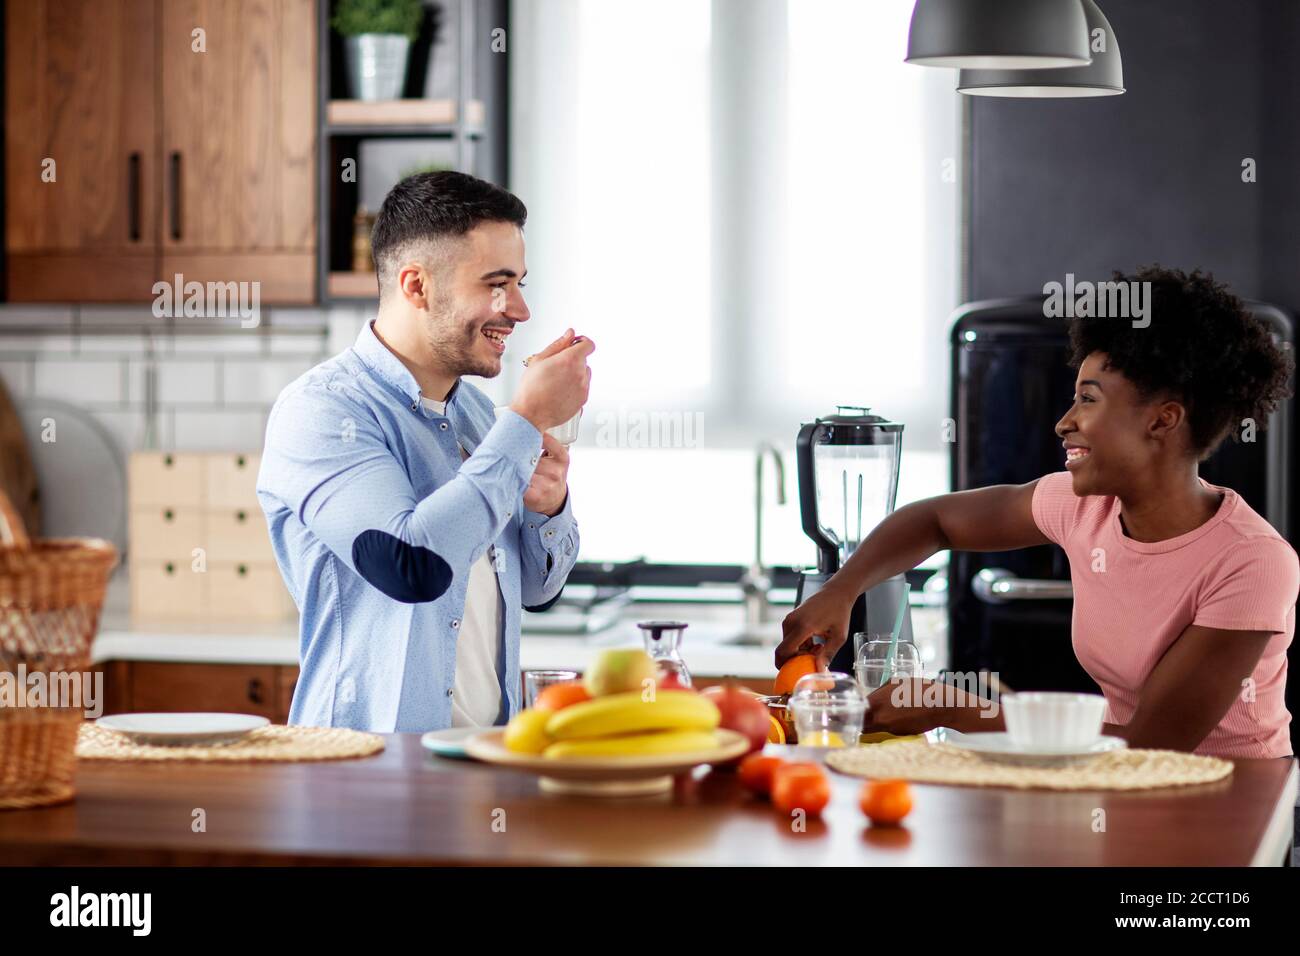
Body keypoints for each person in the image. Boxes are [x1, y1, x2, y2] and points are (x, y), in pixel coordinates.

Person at [778, 266, 1298, 758]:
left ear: (1163, 421)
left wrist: (962, 708)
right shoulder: (1081, 506)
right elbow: (934, 521)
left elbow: (1150, 743)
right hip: (1127, 792)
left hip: (1235, 808)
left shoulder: (1251, 562)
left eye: (1088, 401)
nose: (1063, 423)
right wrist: (840, 591)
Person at [258, 171, 593, 732]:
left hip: (488, 764)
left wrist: (546, 507)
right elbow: (412, 565)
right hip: (365, 776)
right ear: (416, 286)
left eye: (520, 284)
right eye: (497, 284)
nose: (519, 310)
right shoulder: (321, 413)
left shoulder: (481, 418)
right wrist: (526, 419)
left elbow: (537, 591)